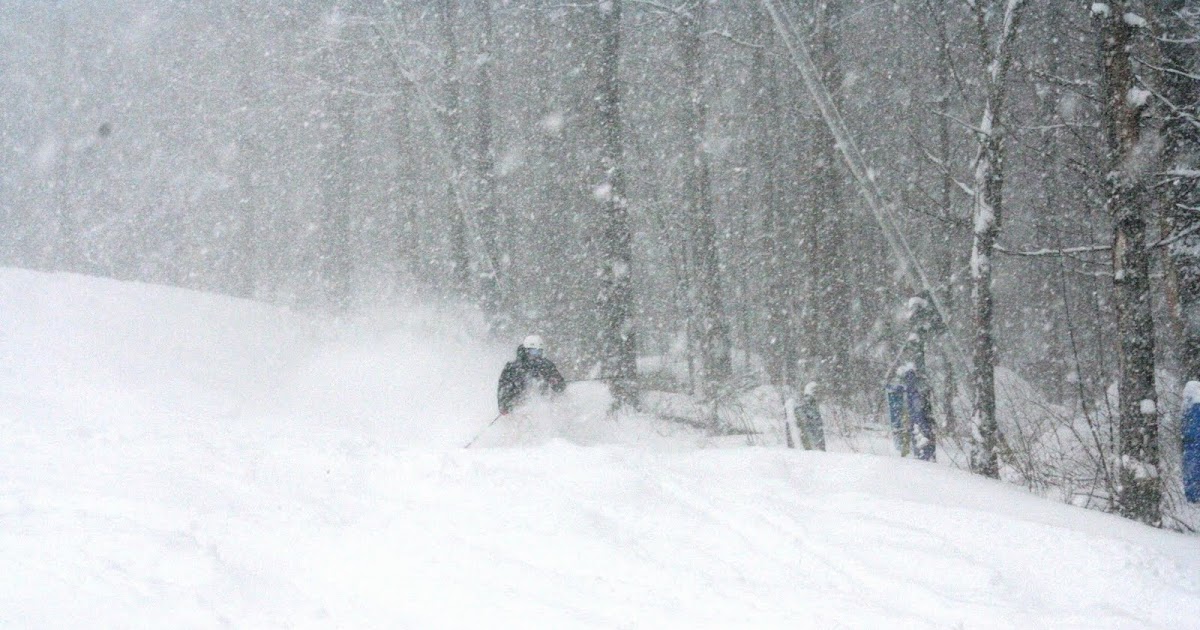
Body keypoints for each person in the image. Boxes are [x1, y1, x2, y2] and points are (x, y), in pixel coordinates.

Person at [497, 334, 566, 415]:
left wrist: (556, 383)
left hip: (543, 407)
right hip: (518, 406)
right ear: (526, 351)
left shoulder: (546, 366)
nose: (536, 355)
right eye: (533, 351)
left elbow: (561, 386)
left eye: (539, 352)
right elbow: (503, 387)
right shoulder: (513, 368)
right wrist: (503, 406)